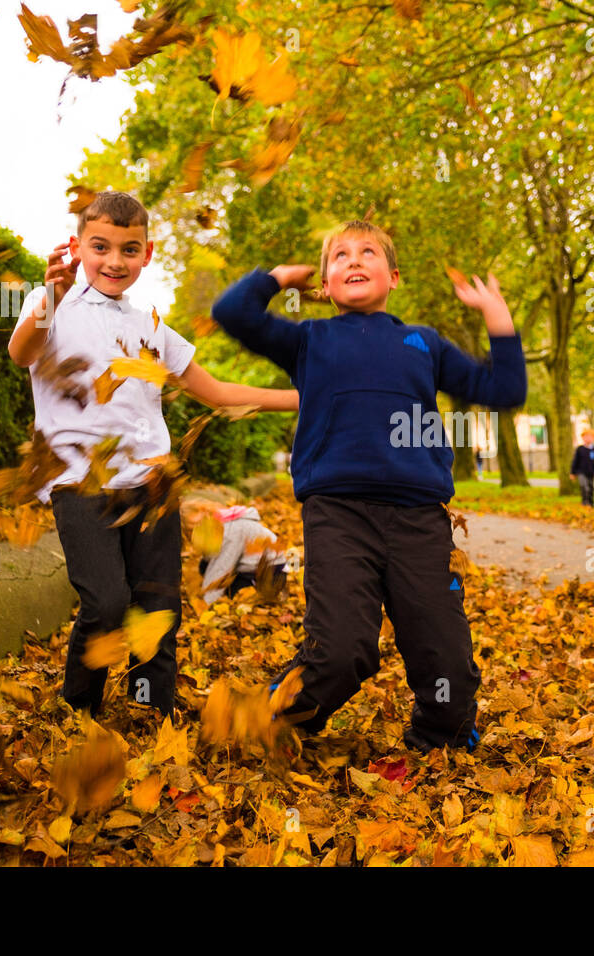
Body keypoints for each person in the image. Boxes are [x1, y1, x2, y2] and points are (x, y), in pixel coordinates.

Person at [211, 219, 526, 752]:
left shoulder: (422, 343)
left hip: (419, 519)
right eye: (340, 256)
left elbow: (504, 387)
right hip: (338, 515)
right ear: (327, 285)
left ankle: (441, 736)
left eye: (368, 252)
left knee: (444, 656)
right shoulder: (308, 339)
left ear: (394, 276)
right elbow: (232, 313)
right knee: (340, 652)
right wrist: (278, 279)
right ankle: (273, 717)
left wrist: (498, 319)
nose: (354, 260)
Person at [7, 190, 299, 717]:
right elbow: (21, 352)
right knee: (106, 603)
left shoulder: (153, 328)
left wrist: (305, 397)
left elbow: (215, 391)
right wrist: (50, 294)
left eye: (129, 249)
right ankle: (79, 710)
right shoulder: (52, 306)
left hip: (152, 489)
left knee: (157, 606)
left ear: (146, 254)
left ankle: (152, 710)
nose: (114, 261)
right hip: (82, 486)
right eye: (100, 247)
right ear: (77, 247)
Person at [570, 429, 594, 507]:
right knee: (584, 486)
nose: (588, 438)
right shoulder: (580, 449)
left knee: (590, 487)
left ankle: (591, 503)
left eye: (590, 437)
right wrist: (573, 472)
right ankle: (584, 502)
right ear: (583, 438)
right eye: (586, 437)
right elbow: (575, 461)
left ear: (593, 438)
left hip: (591, 472)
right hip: (581, 472)